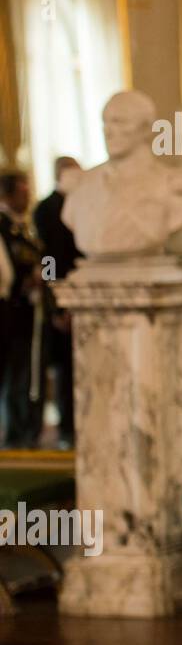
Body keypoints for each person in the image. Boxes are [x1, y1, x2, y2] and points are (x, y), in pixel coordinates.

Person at [33, 156, 83, 448]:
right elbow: (49, 258)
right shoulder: (47, 209)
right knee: (64, 369)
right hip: (62, 299)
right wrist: (58, 304)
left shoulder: (80, 203)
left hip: (81, 293)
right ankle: (67, 429)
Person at [0, 170, 45, 448]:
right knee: (12, 375)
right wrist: (24, 283)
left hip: (27, 313)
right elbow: (5, 275)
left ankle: (26, 432)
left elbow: (43, 260)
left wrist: (45, 279)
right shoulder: (4, 227)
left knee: (26, 373)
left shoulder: (24, 228)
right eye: (22, 191)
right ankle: (15, 435)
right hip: (8, 310)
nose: (27, 196)